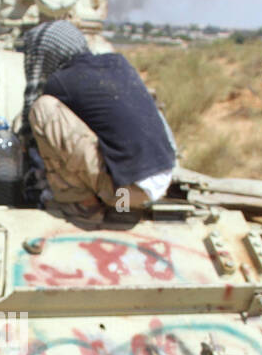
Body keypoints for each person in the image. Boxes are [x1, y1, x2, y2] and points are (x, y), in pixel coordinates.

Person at [19, 20, 176, 220]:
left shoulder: (60, 82)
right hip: (158, 189)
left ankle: (83, 204)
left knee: (43, 108)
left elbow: (36, 143)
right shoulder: (118, 62)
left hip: (121, 198)